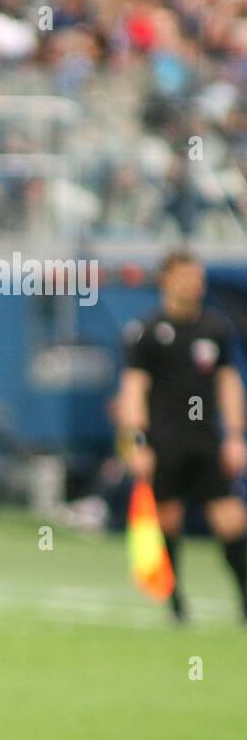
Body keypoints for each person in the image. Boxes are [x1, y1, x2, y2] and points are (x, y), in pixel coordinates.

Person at [118, 249, 247, 623]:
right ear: (167, 279)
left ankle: (243, 600)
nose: (196, 283)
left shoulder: (214, 329)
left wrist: (235, 436)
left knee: (231, 520)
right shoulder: (146, 332)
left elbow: (228, 384)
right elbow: (133, 391)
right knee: (167, 520)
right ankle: (176, 605)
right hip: (164, 442)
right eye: (187, 276)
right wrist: (136, 441)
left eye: (199, 276)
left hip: (205, 440)